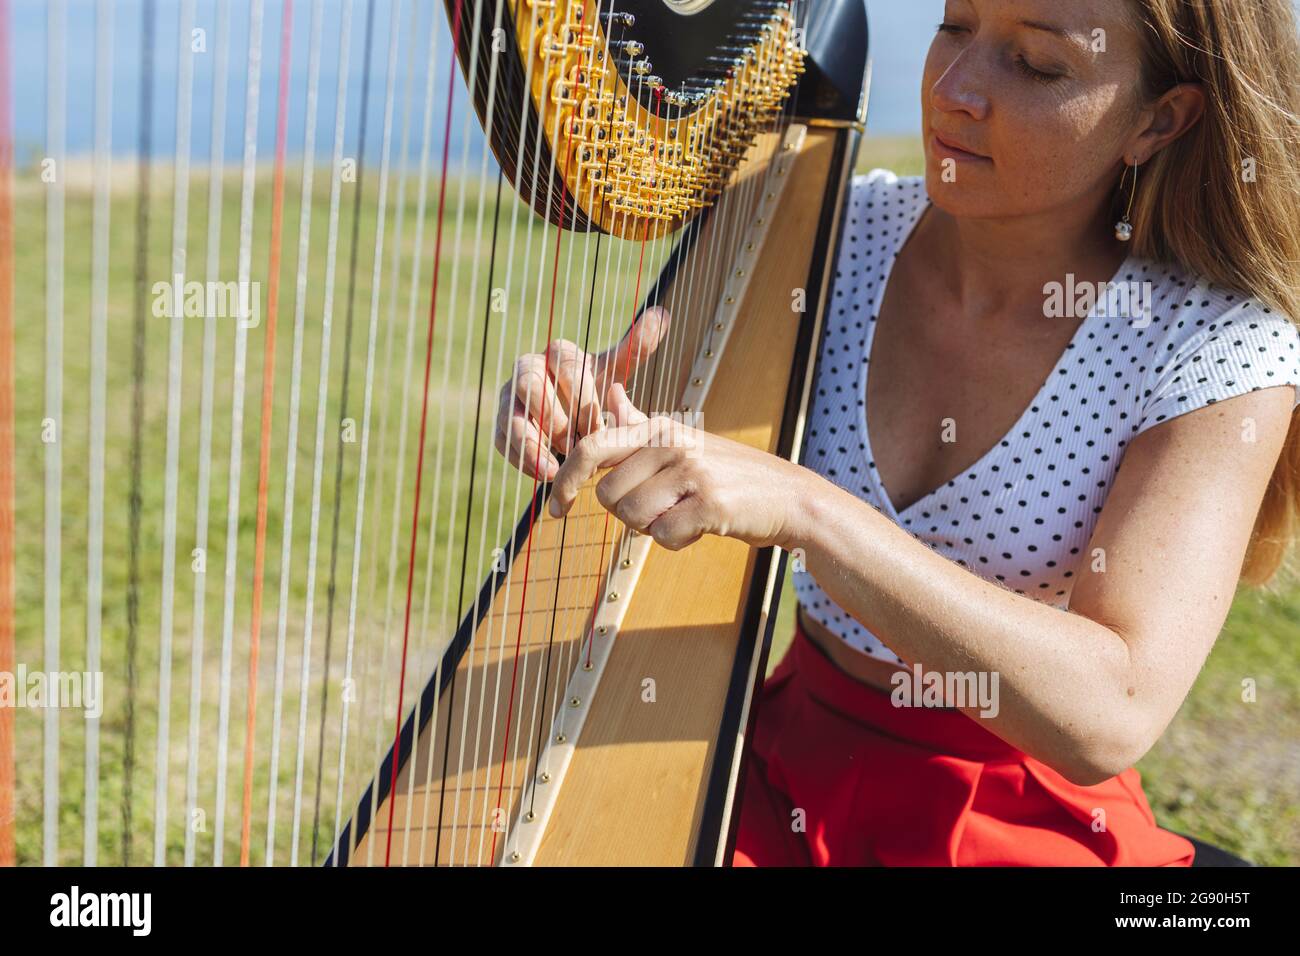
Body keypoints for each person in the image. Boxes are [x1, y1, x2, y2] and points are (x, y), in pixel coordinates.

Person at [494, 0, 1300, 865]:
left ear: (1158, 119)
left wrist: (811, 510)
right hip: (779, 775)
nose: (955, 89)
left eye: (1034, 65)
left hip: (1018, 820)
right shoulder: (829, 231)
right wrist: (585, 413)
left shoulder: (1220, 344)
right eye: (955, 27)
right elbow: (669, 446)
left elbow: (1114, 710)